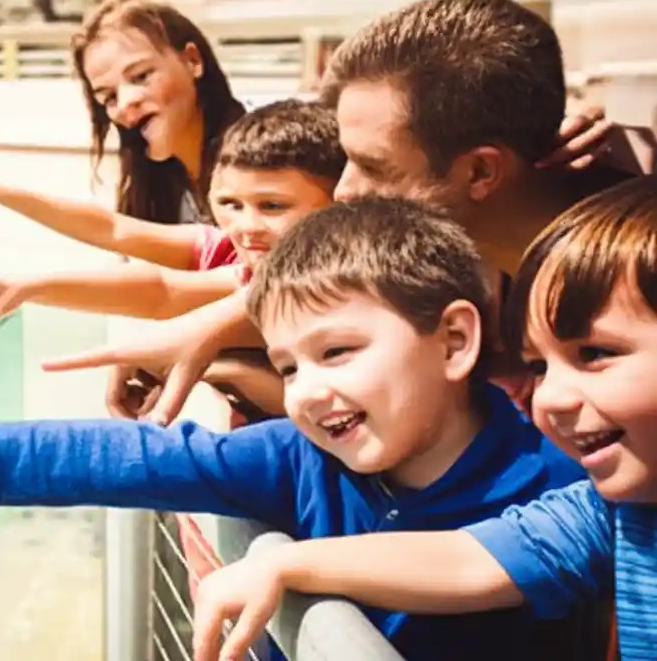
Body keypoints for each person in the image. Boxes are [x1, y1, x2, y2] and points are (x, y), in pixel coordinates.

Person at [0, 196, 588, 661]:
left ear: (454, 341)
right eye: (288, 367)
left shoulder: (562, 483)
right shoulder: (300, 455)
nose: (310, 392)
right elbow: (145, 456)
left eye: (339, 352)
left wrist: (293, 565)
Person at [39, 0, 633, 427]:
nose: (343, 192)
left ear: (480, 171)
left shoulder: (623, 259)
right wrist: (201, 333)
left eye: (373, 166)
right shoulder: (473, 257)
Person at [187, 174, 657, 661]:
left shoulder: (571, 486)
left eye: (597, 353)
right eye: (539, 367)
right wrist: (283, 565)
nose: (551, 397)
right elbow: (466, 559)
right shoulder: (608, 516)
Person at [0, 99, 343, 419]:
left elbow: (164, 294)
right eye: (231, 204)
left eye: (272, 206)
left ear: (338, 202)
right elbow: (130, 249)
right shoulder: (238, 259)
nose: (247, 225)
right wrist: (23, 285)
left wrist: (213, 367)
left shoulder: (333, 282)